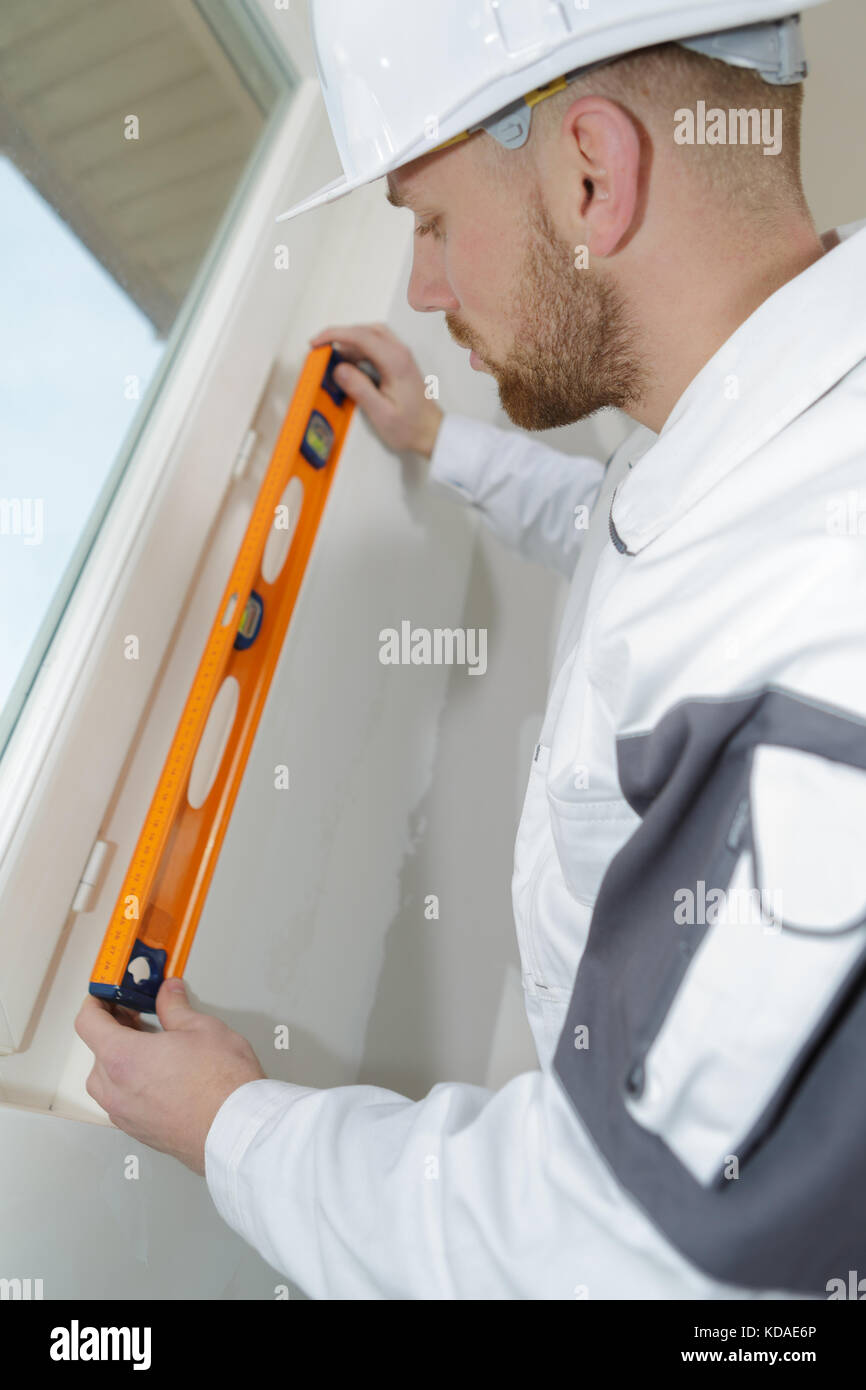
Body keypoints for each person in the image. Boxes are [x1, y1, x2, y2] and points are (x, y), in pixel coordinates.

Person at [76, 0, 866, 1299]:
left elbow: (623, 1241)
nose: (428, 288)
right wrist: (441, 440)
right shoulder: (759, 412)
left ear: (592, 177)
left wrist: (233, 1125)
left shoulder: (811, 620)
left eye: (430, 222)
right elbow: (625, 531)